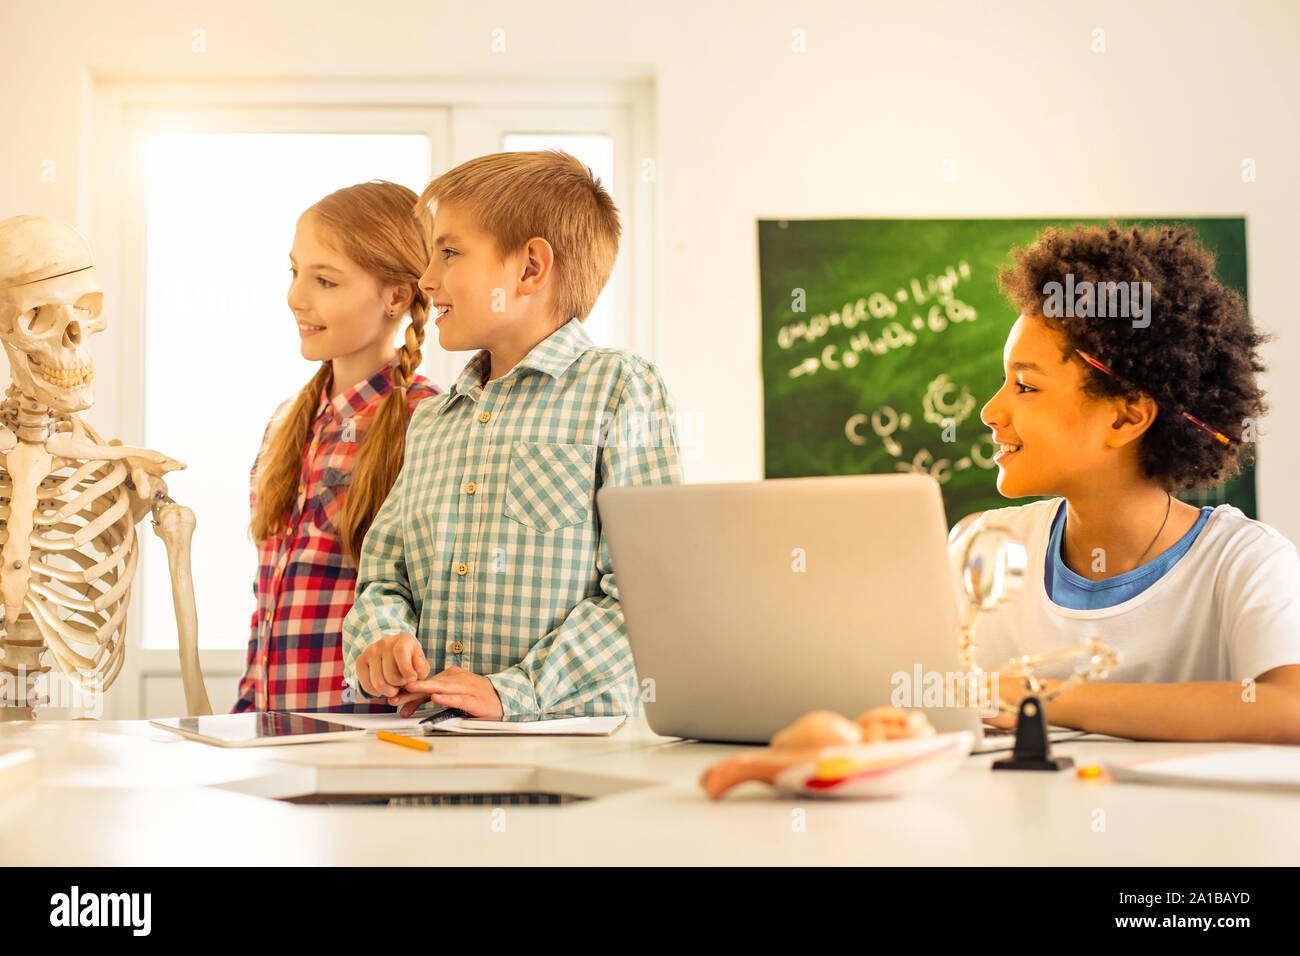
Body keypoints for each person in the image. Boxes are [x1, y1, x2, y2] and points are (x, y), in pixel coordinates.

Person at [341, 149, 683, 724]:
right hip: (431, 750)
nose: (427, 279)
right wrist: (382, 642)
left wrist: (514, 693)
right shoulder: (433, 421)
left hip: (568, 755)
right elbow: (383, 576)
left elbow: (650, 591)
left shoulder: (620, 389)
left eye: (449, 252)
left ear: (529, 269)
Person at [949, 222, 1300, 743]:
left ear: (1125, 418)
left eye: (1025, 386)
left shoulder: (1244, 562)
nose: (990, 410)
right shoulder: (982, 551)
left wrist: (1037, 696)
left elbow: (1287, 709)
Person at [233, 181, 442, 713]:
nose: (295, 298)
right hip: (272, 729)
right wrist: (245, 709)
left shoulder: (431, 421)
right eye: (295, 272)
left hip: (366, 738)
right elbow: (269, 601)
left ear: (397, 295)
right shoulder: (285, 421)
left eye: (325, 280)